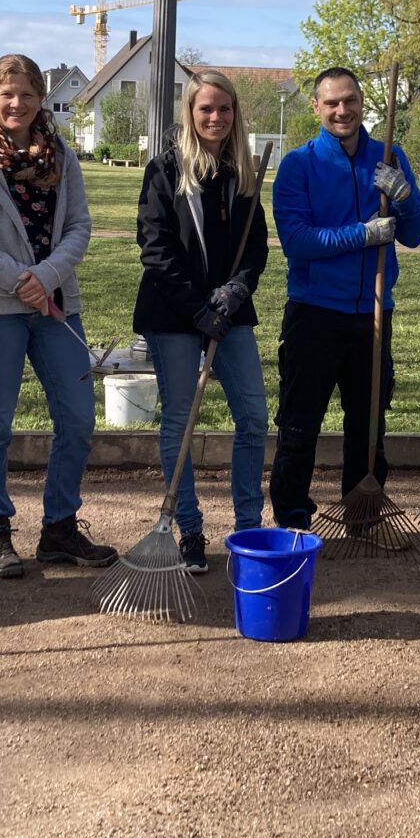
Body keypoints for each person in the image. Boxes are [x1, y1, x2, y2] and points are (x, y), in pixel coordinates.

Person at [0, 54, 117, 578]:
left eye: (28, 95)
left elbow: (79, 227)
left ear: (41, 99)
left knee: (79, 418)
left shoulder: (60, 155)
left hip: (56, 304)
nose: (17, 104)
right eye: (6, 94)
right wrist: (22, 279)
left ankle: (59, 528)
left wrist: (48, 277)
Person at [268, 66, 420, 533]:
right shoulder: (300, 165)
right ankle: (293, 517)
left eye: (350, 101)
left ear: (362, 103)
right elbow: (297, 241)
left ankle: (363, 514)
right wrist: (360, 235)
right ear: (316, 107)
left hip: (374, 312)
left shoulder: (388, 155)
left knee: (369, 421)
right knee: (301, 421)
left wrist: (402, 197)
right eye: (332, 102)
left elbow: (416, 234)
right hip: (315, 314)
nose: (343, 110)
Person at [133, 70, 271, 571]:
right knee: (179, 420)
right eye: (205, 109)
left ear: (236, 114)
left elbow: (255, 246)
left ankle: (249, 527)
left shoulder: (245, 171)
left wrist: (236, 290)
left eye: (225, 109)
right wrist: (196, 309)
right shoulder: (165, 170)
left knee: (253, 416)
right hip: (174, 312)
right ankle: (189, 529)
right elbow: (155, 248)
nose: (216, 117)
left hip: (229, 314)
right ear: (190, 113)